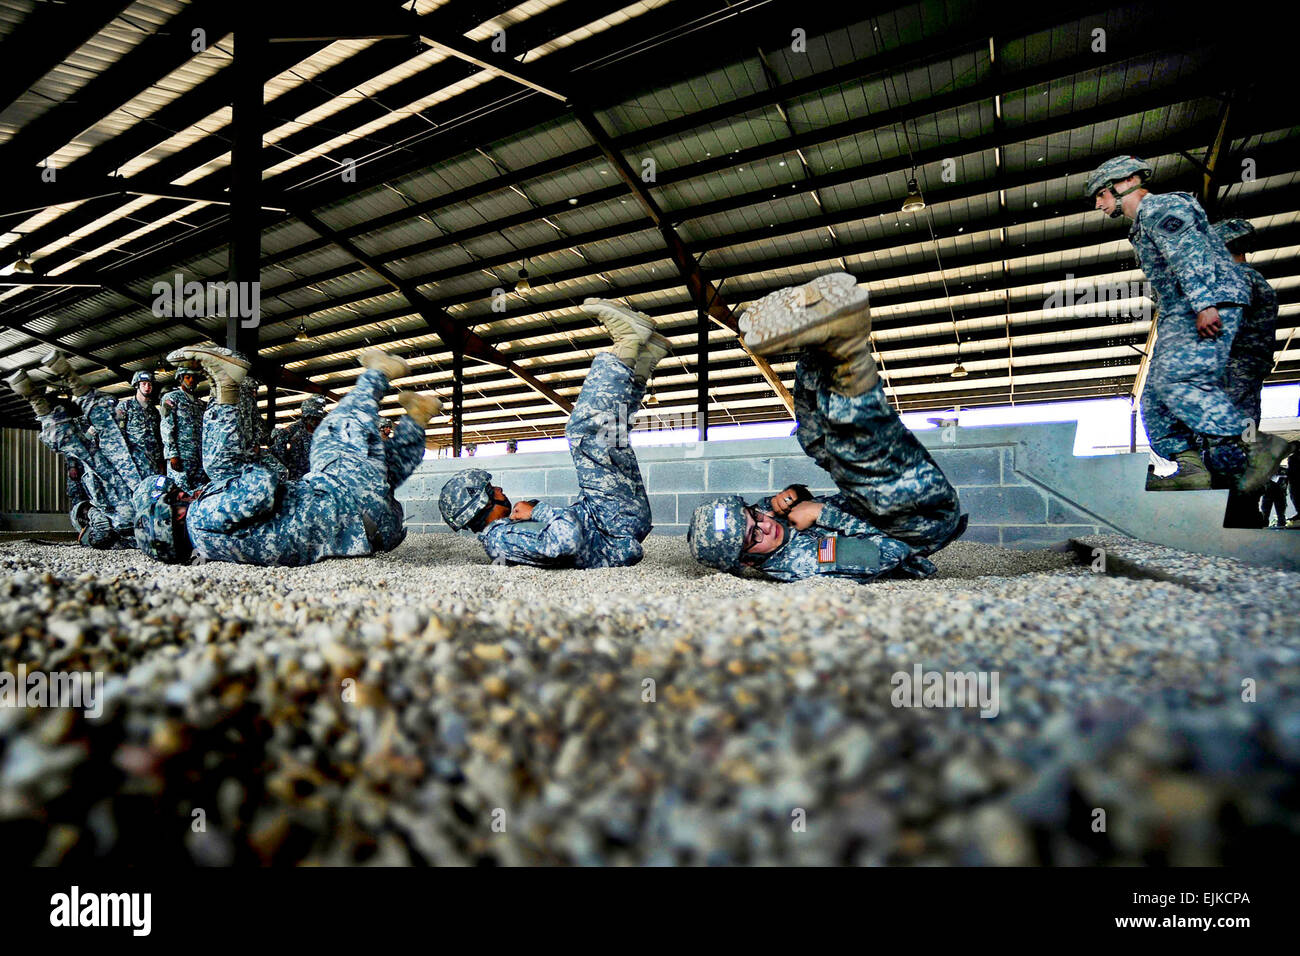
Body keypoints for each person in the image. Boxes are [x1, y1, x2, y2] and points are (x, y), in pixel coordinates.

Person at [688, 272, 966, 582]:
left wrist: (792, 496)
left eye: (753, 515)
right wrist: (820, 513)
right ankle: (846, 346)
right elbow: (890, 552)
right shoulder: (803, 563)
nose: (765, 524)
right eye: (754, 536)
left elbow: (767, 512)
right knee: (854, 456)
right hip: (919, 519)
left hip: (874, 505)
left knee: (813, 437)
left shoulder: (766, 524)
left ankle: (816, 345)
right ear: (748, 562)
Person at [1084, 156, 1288, 492]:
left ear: (1123, 184)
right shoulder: (1142, 223)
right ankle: (1189, 466)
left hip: (1200, 306)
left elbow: (1187, 252)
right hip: (1181, 307)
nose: (1098, 203)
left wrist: (1204, 303)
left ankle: (1255, 447)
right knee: (1153, 396)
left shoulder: (1159, 208)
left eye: (1101, 194)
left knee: (1176, 380)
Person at [132, 345, 440, 566]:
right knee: (329, 437)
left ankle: (416, 419)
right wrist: (238, 471)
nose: (183, 494)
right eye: (176, 498)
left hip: (374, 527)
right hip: (349, 503)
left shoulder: (212, 546)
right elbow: (263, 487)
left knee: (379, 471)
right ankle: (379, 373)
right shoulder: (201, 517)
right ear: (177, 515)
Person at [438, 298, 670, 568]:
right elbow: (567, 540)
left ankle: (643, 360)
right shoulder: (500, 538)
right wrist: (538, 510)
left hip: (609, 520)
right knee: (583, 433)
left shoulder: (505, 533)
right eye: (491, 490)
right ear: (480, 505)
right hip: (610, 524)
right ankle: (627, 341)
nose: (499, 489)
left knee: (610, 436)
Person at [4, 367, 141, 549]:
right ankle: (49, 390)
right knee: (85, 447)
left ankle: (40, 397)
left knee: (81, 449)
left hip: (112, 496)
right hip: (111, 489)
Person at [1211, 218, 1278, 427]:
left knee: (1232, 442)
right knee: (1244, 433)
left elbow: (1222, 329)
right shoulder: (1251, 279)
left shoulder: (1238, 278)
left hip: (1232, 372)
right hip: (1242, 374)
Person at [161, 361, 207, 492]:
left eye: (194, 377)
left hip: (198, 458)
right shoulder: (171, 398)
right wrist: (172, 454)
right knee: (180, 492)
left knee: (200, 492)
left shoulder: (200, 404)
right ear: (181, 378)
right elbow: (166, 427)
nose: (191, 380)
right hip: (181, 457)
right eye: (187, 377)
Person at [269, 394, 328, 480]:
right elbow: (279, 436)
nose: (317, 422)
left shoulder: (323, 429)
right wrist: (284, 463)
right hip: (298, 473)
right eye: (315, 419)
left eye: (318, 419)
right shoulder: (299, 430)